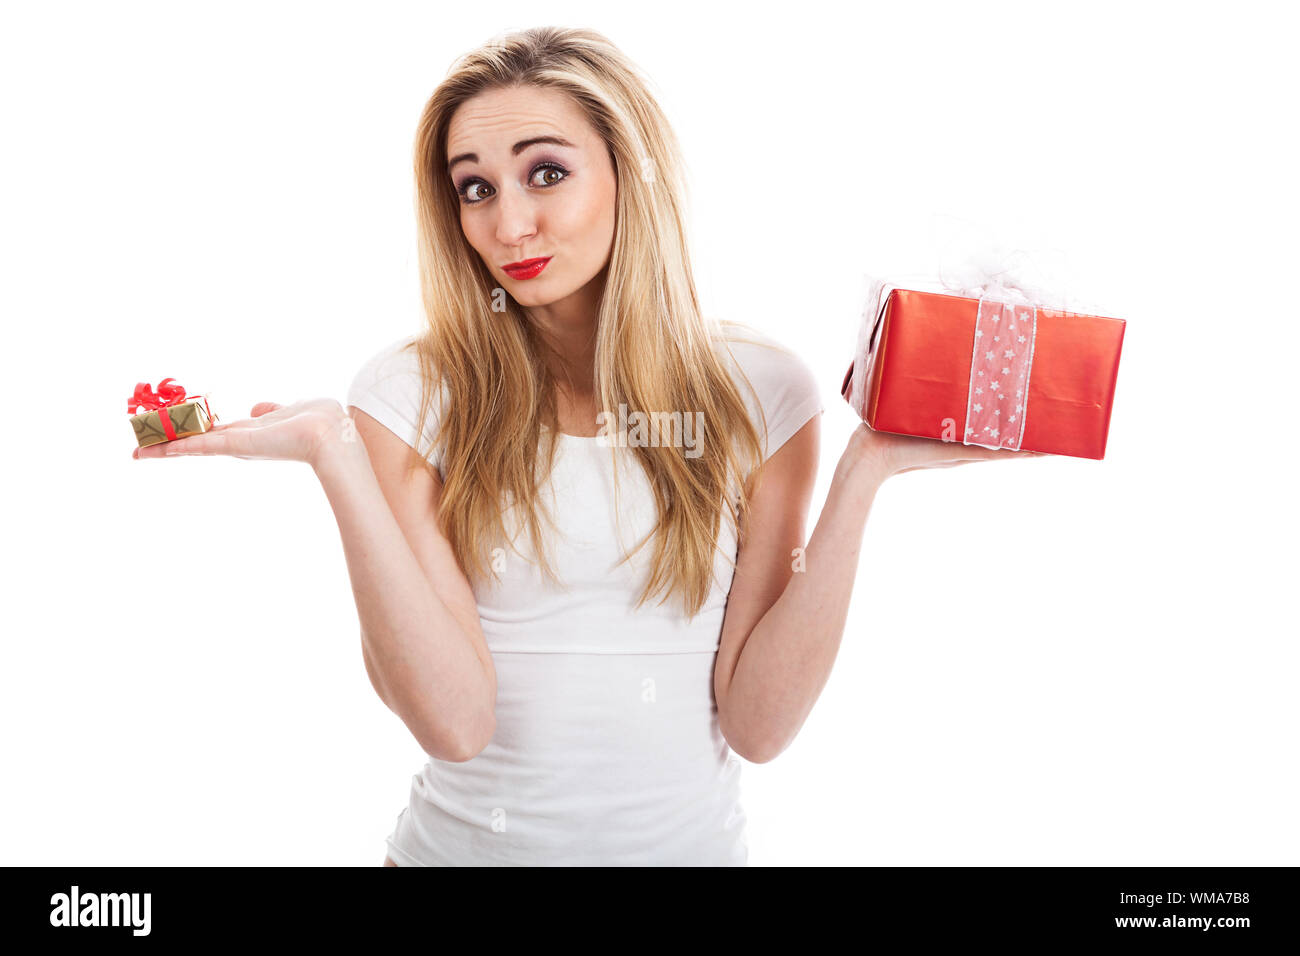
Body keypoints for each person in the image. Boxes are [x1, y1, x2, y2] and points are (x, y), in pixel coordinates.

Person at [132, 26, 1044, 866]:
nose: (508, 225)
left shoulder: (760, 390)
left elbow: (761, 727)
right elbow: (454, 722)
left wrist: (864, 472)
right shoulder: (408, 397)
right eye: (475, 187)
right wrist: (337, 459)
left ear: (628, 171)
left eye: (546, 173)